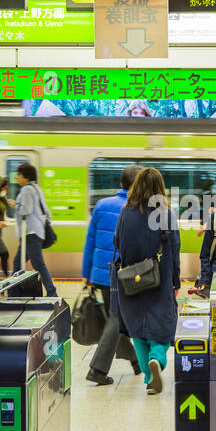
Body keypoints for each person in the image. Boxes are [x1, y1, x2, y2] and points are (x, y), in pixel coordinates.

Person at [112, 168, 180, 395]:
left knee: (138, 330)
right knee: (163, 326)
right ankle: (157, 359)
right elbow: (175, 249)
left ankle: (150, 377)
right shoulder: (167, 214)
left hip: (130, 280)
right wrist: (175, 282)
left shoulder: (125, 213)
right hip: (160, 279)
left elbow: (118, 243)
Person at [83, 164, 141, 385]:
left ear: (121, 183)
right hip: (125, 274)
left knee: (116, 318)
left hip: (101, 273)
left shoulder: (101, 205)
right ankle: (97, 369)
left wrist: (85, 273)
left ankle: (135, 362)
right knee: (117, 318)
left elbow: (90, 240)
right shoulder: (137, 208)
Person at [12, 162, 57, 297]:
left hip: (31, 233)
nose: (17, 178)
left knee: (38, 264)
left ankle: (52, 292)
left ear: (26, 177)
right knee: (17, 263)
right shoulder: (37, 188)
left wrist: (15, 205)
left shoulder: (26, 189)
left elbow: (26, 209)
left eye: (19, 175)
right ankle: (14, 292)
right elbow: (47, 212)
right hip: (34, 233)